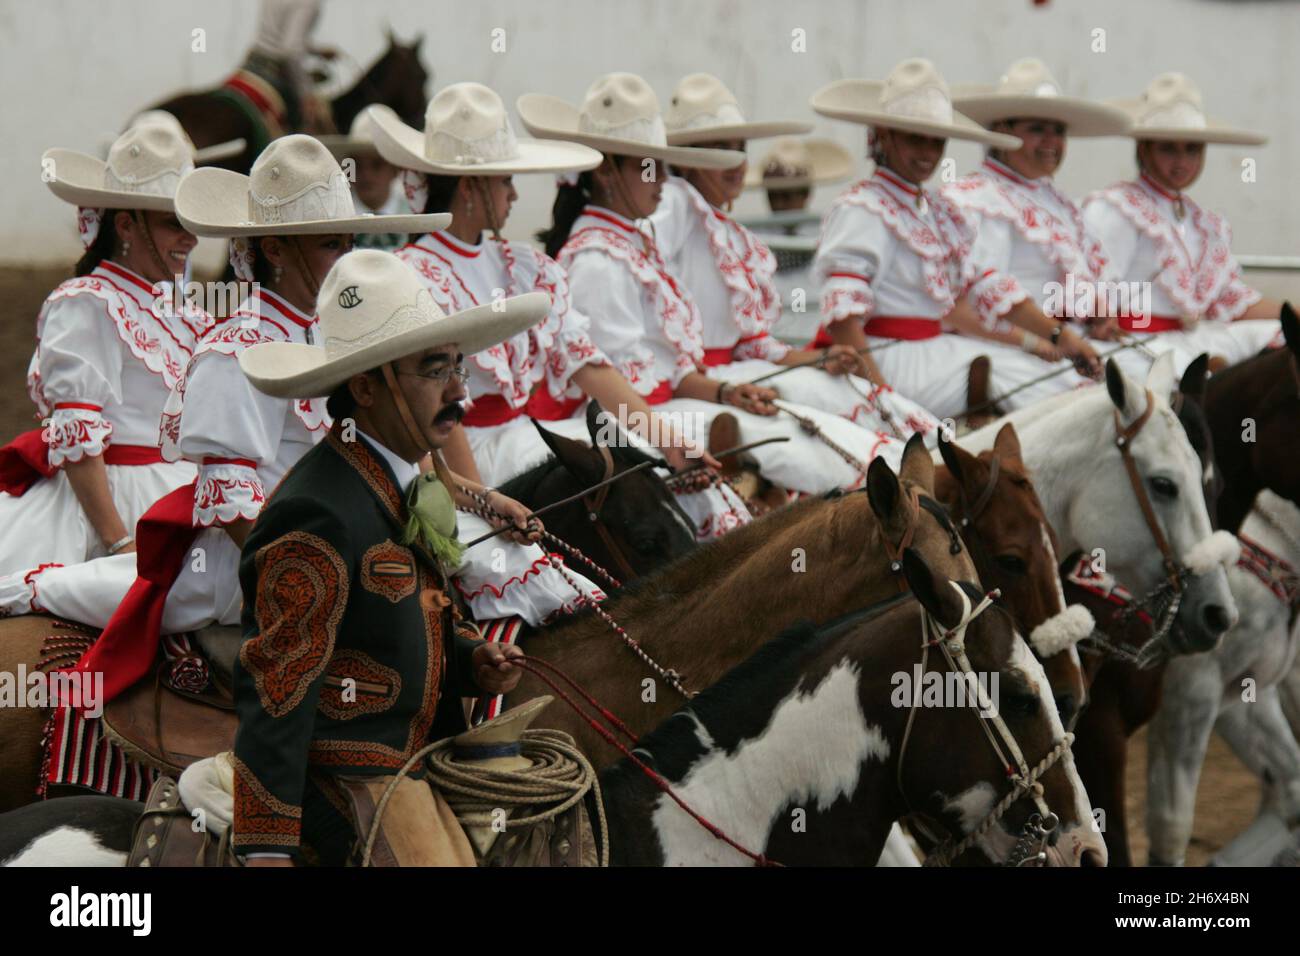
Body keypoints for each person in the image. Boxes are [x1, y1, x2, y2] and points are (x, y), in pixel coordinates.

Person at [20, 136, 457, 802]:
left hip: (321, 536)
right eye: (327, 244)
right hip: (259, 552)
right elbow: (231, 497)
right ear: (275, 251)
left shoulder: (325, 338)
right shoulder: (237, 344)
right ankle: (256, 788)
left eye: (347, 240)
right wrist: (308, 578)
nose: (345, 258)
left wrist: (466, 507)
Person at [230, 248, 539, 865]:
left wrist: (471, 658)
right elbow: (279, 693)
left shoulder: (395, 480)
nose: (458, 391)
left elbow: (398, 626)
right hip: (349, 779)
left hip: (412, 766)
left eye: (458, 368)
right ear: (366, 388)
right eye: (434, 370)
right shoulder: (316, 510)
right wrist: (265, 852)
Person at [371, 84, 748, 549]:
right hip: (475, 453)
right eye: (504, 181)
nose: (512, 194)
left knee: (654, 475)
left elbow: (589, 364)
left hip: (524, 434)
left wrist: (666, 439)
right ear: (471, 188)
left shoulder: (520, 264)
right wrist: (487, 505)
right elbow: (440, 409)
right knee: (616, 498)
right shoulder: (417, 274)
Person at [520, 72, 905, 498]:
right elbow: (608, 383)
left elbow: (668, 369)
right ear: (607, 172)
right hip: (624, 421)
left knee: (799, 424)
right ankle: (896, 483)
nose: (662, 181)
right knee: (789, 439)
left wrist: (725, 391)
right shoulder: (599, 257)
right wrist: (675, 432)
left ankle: (901, 471)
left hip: (665, 403)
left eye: (663, 167)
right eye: (649, 168)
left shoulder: (629, 243)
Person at [810, 58, 1101, 422]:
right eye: (915, 138)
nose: (928, 153)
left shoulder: (937, 209)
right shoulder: (863, 206)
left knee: (1061, 384)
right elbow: (843, 318)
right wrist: (879, 394)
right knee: (1035, 385)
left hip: (933, 350)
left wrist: (1062, 337)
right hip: (890, 353)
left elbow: (986, 285)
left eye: (936, 141)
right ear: (883, 135)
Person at [654, 73, 939, 439]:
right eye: (720, 150)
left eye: (740, 148)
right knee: (854, 424)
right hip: (701, 384)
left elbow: (748, 343)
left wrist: (819, 358)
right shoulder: (675, 202)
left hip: (731, 373)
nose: (737, 161)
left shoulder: (721, 227)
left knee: (863, 405)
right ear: (687, 160)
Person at [0, 124, 210, 578]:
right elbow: (78, 436)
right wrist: (119, 541)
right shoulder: (87, 301)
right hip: (114, 500)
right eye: (175, 224)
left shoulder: (184, 309)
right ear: (126, 225)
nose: (191, 240)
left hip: (176, 489)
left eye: (191, 225)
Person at [1083, 72, 1282, 377]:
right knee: (1190, 377)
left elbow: (1230, 299)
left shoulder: (1201, 222)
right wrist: (1098, 314)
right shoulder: (1117, 208)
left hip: (1188, 337)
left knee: (1279, 337)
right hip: (1132, 342)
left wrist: (1291, 314)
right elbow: (1086, 280)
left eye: (1192, 149)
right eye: (1168, 149)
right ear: (1143, 149)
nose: (1182, 162)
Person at [946, 58, 1132, 358]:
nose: (1051, 141)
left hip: (1063, 342)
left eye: (1058, 130)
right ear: (1002, 131)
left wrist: (1096, 315)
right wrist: (1046, 338)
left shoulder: (1058, 203)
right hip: (1004, 346)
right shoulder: (977, 198)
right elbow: (978, 294)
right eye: (1037, 129)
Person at [319, 104, 407, 251]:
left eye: (377, 165)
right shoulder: (331, 217)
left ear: (396, 169)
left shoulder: (416, 217)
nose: (366, 175)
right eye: (357, 166)